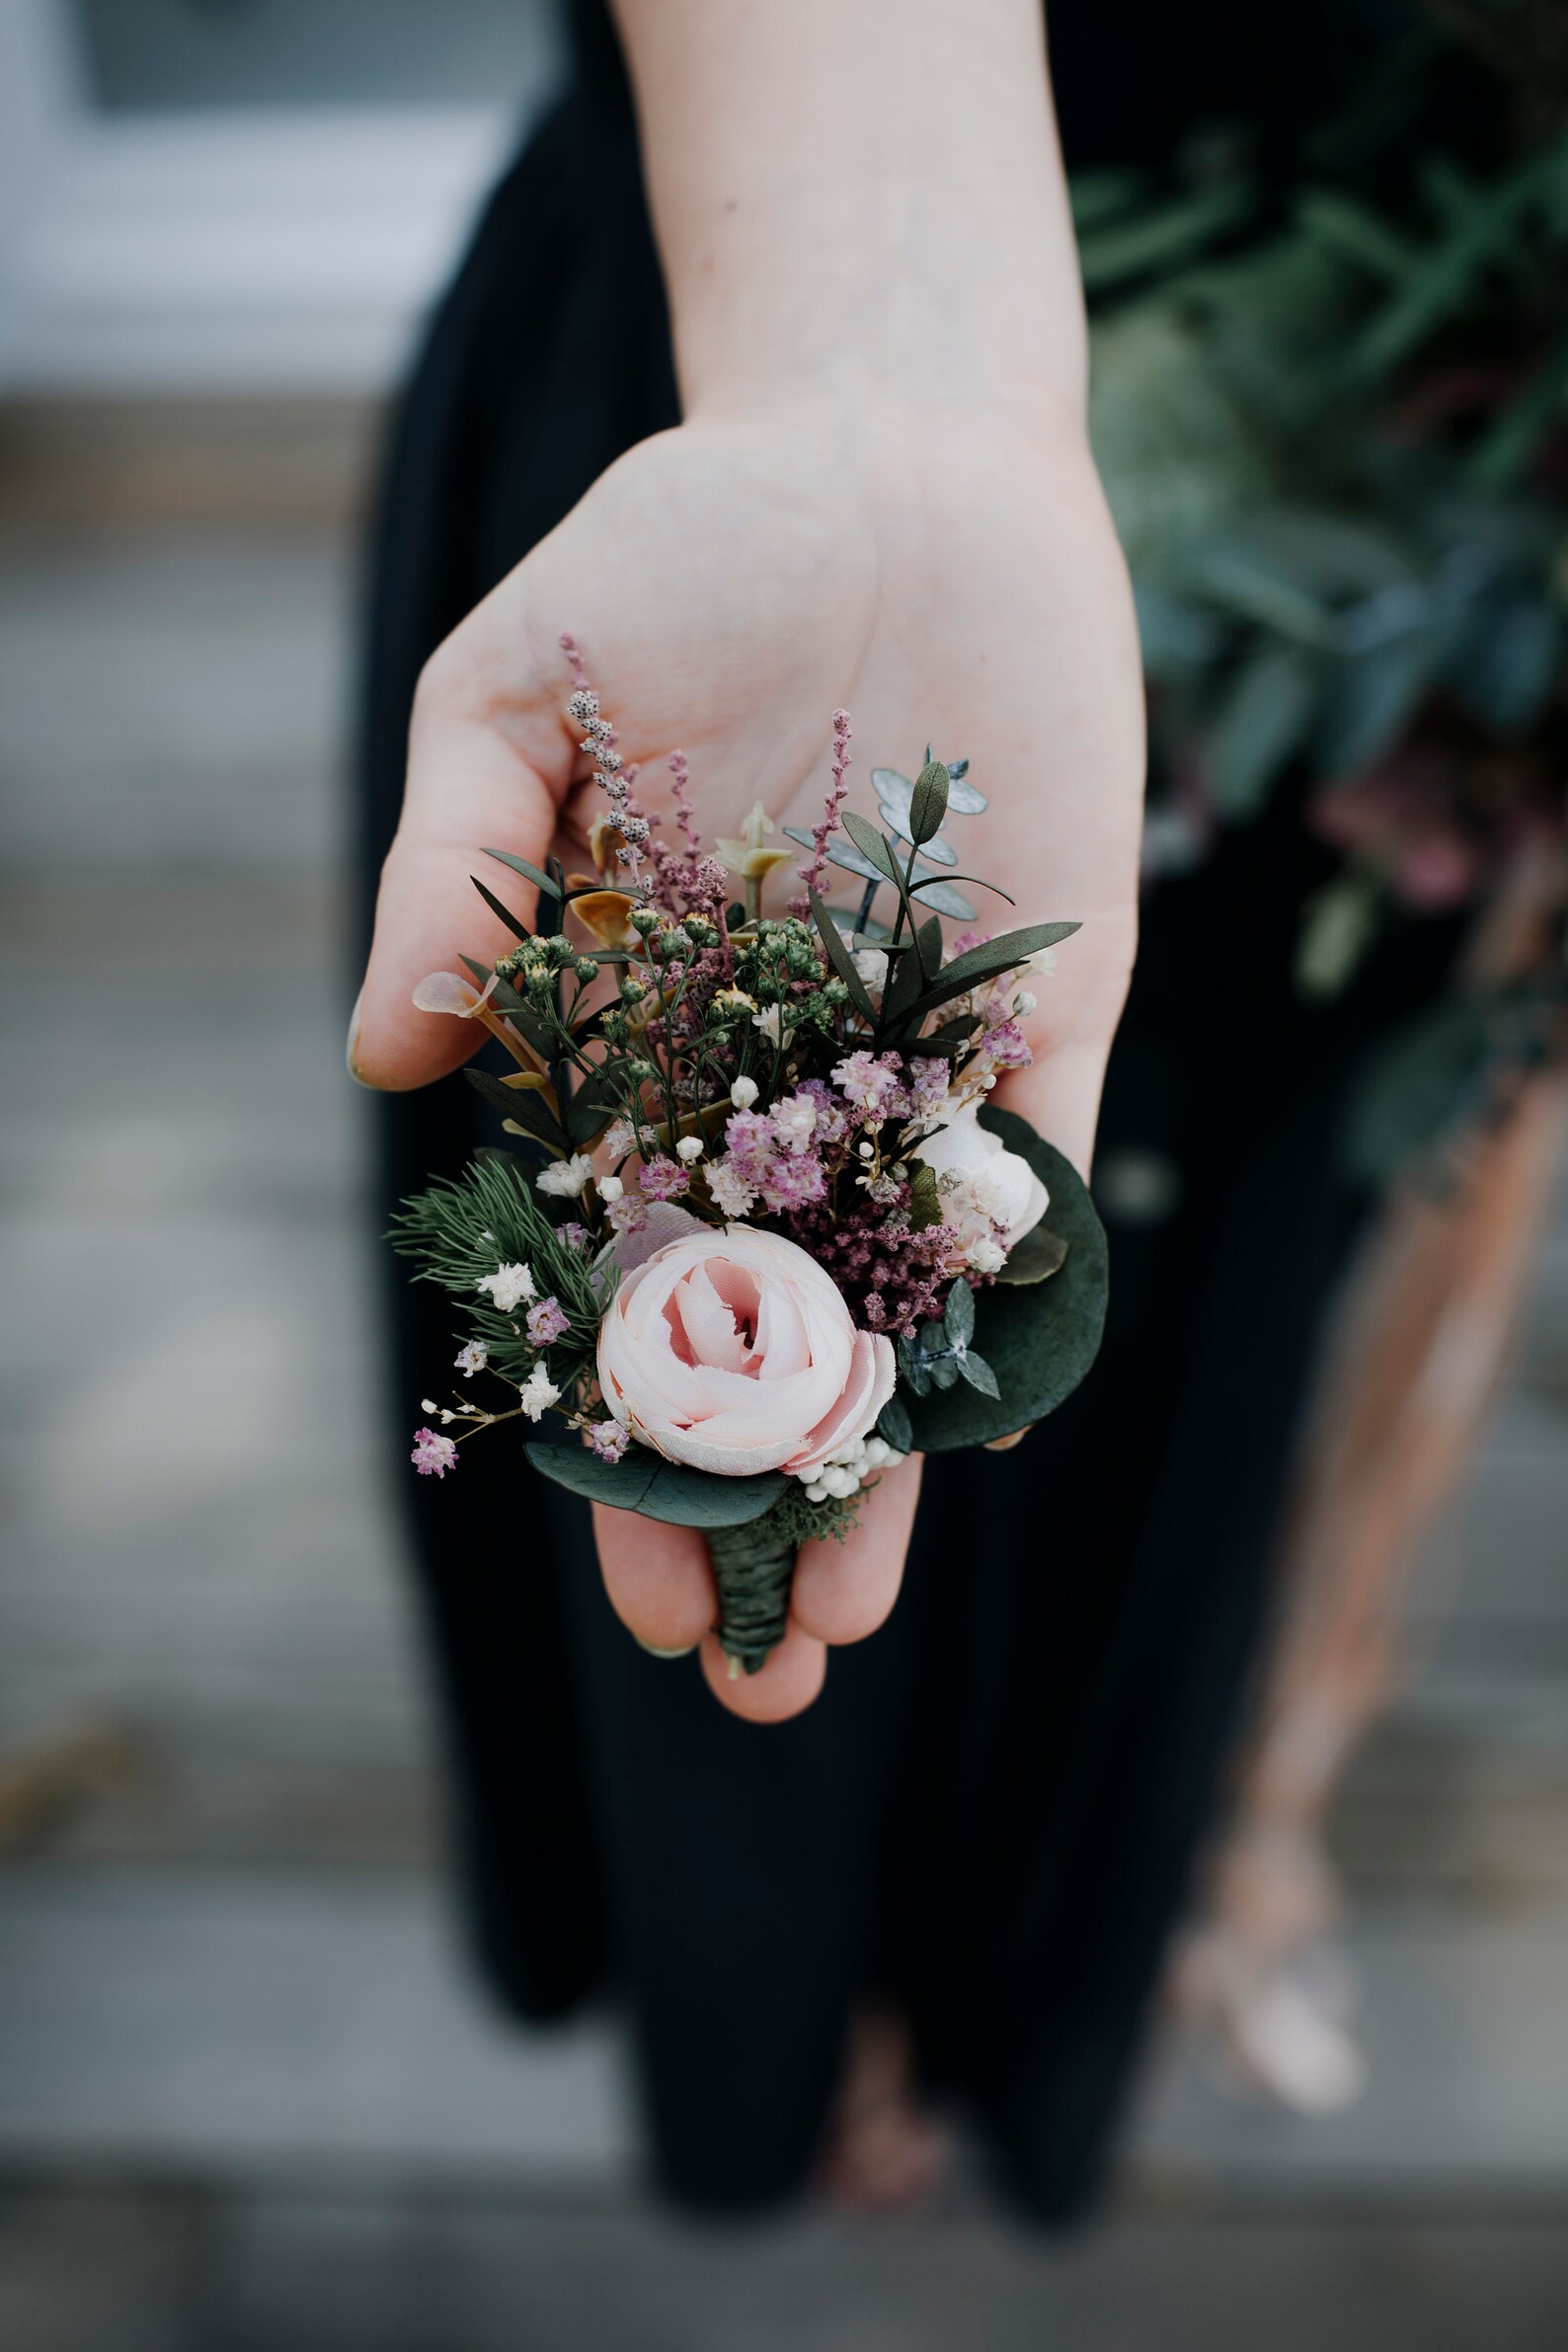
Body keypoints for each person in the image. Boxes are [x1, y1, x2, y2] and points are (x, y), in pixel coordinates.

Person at [352, 0, 1444, 2217]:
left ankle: (1020, 1986)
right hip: (742, 320)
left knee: (1186, 1356)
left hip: (1383, 469)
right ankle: (766, 2014)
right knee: (690, 1514)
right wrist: (886, 364)